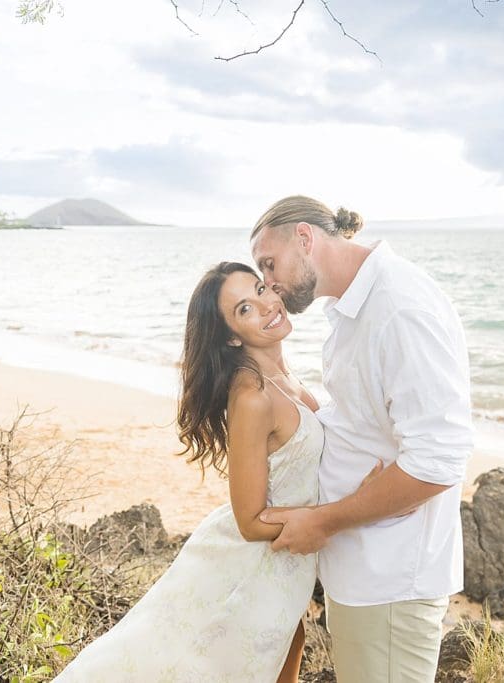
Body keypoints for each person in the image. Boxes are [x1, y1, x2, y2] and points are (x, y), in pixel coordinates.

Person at [52, 261, 325, 682]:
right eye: (245, 310)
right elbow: (250, 522)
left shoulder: (285, 378)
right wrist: (334, 517)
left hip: (285, 563)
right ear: (232, 336)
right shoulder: (253, 396)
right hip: (248, 567)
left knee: (288, 646)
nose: (267, 306)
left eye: (259, 289)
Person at [251, 196, 474, 683]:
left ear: (305, 238)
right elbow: (364, 416)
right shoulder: (358, 307)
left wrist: (324, 522)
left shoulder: (399, 308)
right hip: (363, 568)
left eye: (269, 264)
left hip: (390, 576)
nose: (267, 283)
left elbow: (438, 460)